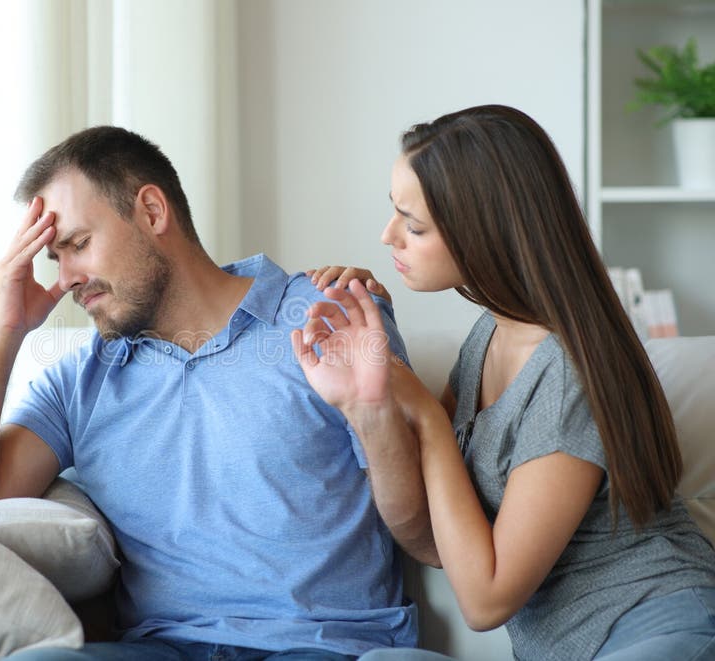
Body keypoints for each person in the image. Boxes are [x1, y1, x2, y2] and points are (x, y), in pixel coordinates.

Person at [0, 125, 440, 660]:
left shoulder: (327, 316)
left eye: (78, 244)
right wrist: (1, 331)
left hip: (326, 647)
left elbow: (421, 524)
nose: (67, 278)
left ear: (152, 211)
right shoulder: (79, 378)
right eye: (55, 257)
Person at [298, 105, 715, 661]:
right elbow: (428, 539)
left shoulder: (568, 371)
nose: (387, 235)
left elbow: (486, 601)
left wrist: (426, 415)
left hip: (658, 628)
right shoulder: (490, 336)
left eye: (413, 225)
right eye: (395, 214)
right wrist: (370, 396)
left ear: (483, 231)